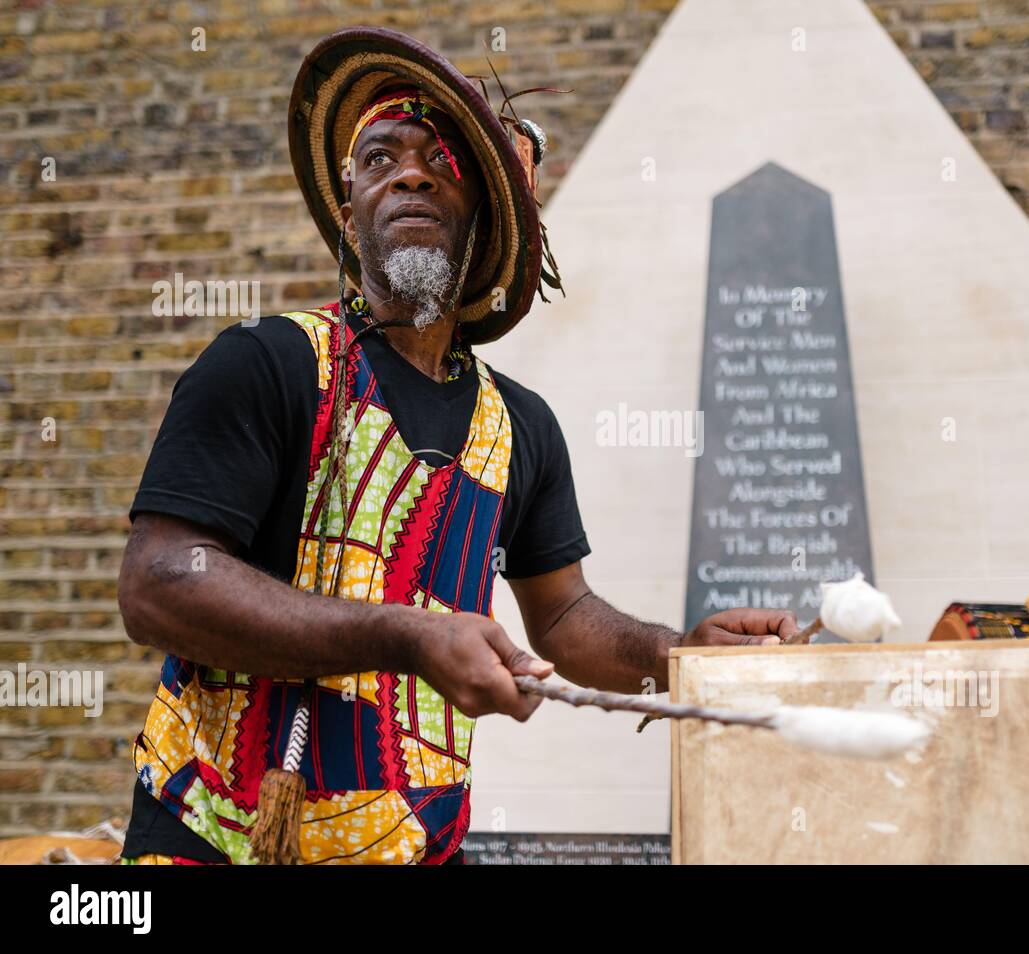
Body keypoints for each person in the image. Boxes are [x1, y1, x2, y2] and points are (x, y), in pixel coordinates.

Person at [116, 27, 796, 866]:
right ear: (347, 205)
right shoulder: (268, 364)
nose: (409, 172)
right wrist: (407, 636)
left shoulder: (519, 427)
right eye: (378, 158)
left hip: (422, 848)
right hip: (211, 840)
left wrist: (679, 653)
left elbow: (566, 616)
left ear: (480, 209)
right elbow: (156, 586)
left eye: (441, 160)